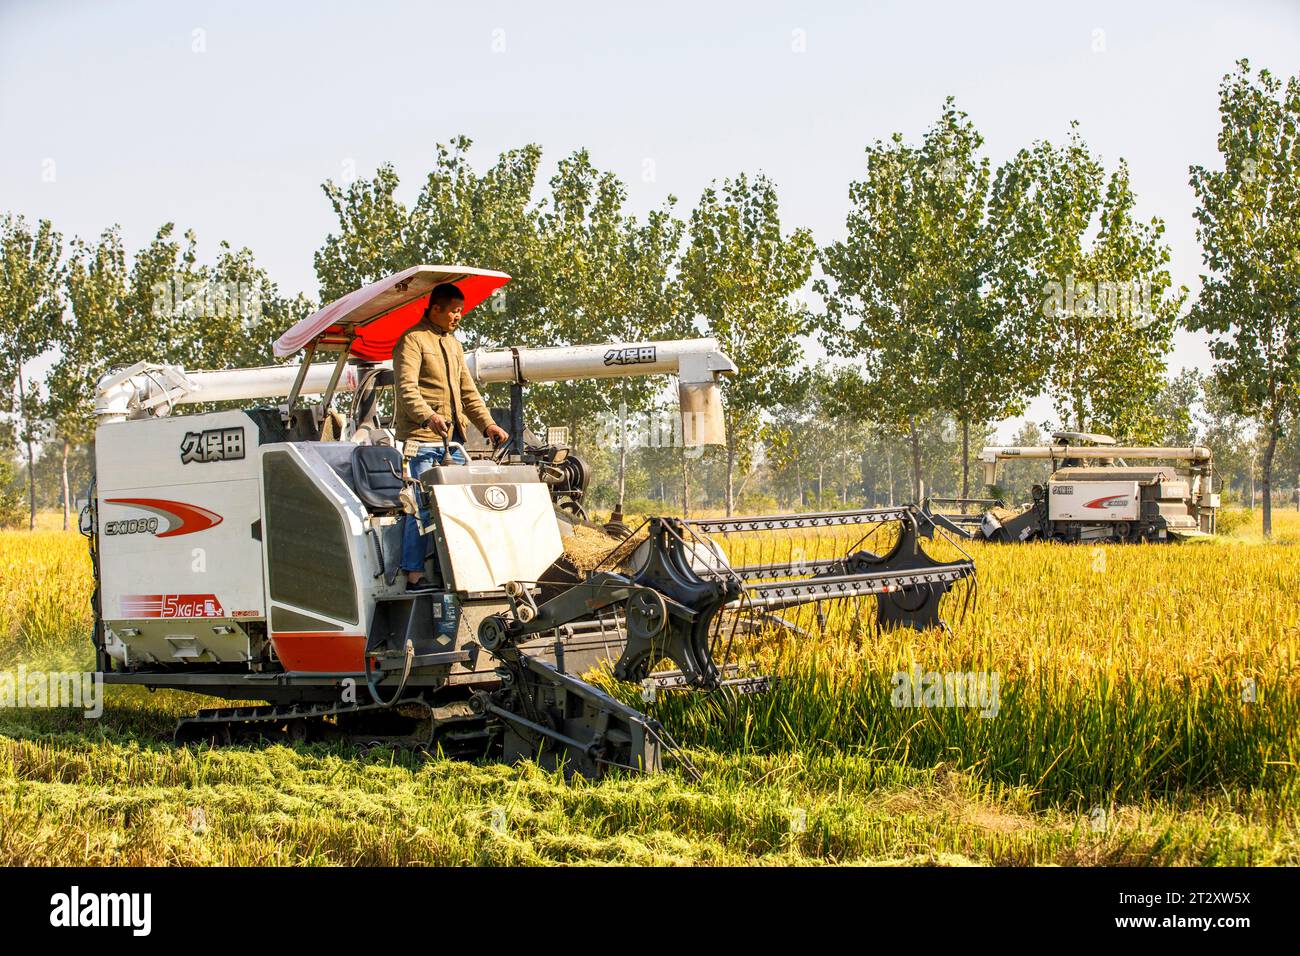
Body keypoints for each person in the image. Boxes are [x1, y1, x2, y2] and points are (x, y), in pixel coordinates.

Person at [393, 282, 510, 592]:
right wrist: (428, 416)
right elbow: (406, 390)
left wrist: (487, 426)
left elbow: (468, 393)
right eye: (455, 311)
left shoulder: (455, 346)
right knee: (421, 505)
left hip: (452, 442)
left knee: (469, 502)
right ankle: (414, 577)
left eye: (461, 311)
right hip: (421, 440)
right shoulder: (412, 341)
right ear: (436, 309)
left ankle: (466, 571)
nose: (459, 316)